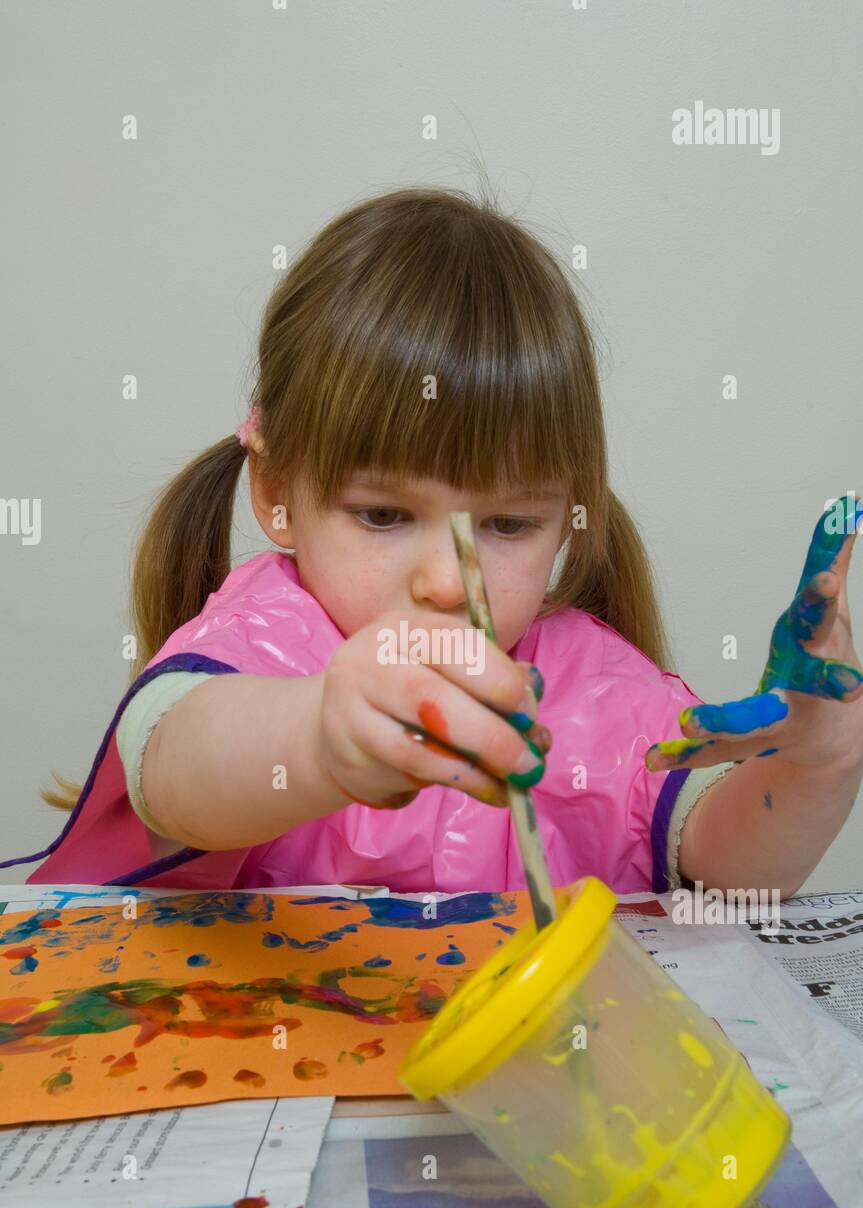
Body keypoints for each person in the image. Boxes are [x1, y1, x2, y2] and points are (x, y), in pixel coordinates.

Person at [5, 188, 862, 896]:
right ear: (275, 493)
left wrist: (819, 759)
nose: (449, 582)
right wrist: (316, 739)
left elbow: (724, 870)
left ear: (568, 512)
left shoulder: (591, 690)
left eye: (506, 525)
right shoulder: (261, 642)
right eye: (382, 516)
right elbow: (170, 770)